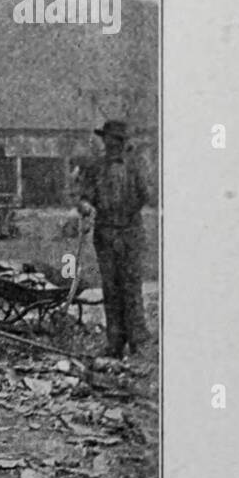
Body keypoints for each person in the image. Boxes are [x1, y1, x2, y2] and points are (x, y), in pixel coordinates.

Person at [77, 120, 152, 359]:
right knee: (111, 289)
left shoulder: (135, 166)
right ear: (105, 141)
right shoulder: (95, 167)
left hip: (130, 232)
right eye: (109, 140)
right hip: (105, 234)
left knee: (131, 288)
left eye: (118, 141)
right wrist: (86, 207)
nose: (113, 145)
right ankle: (115, 343)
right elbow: (84, 198)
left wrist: (126, 214)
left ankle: (138, 342)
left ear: (123, 143)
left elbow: (145, 195)